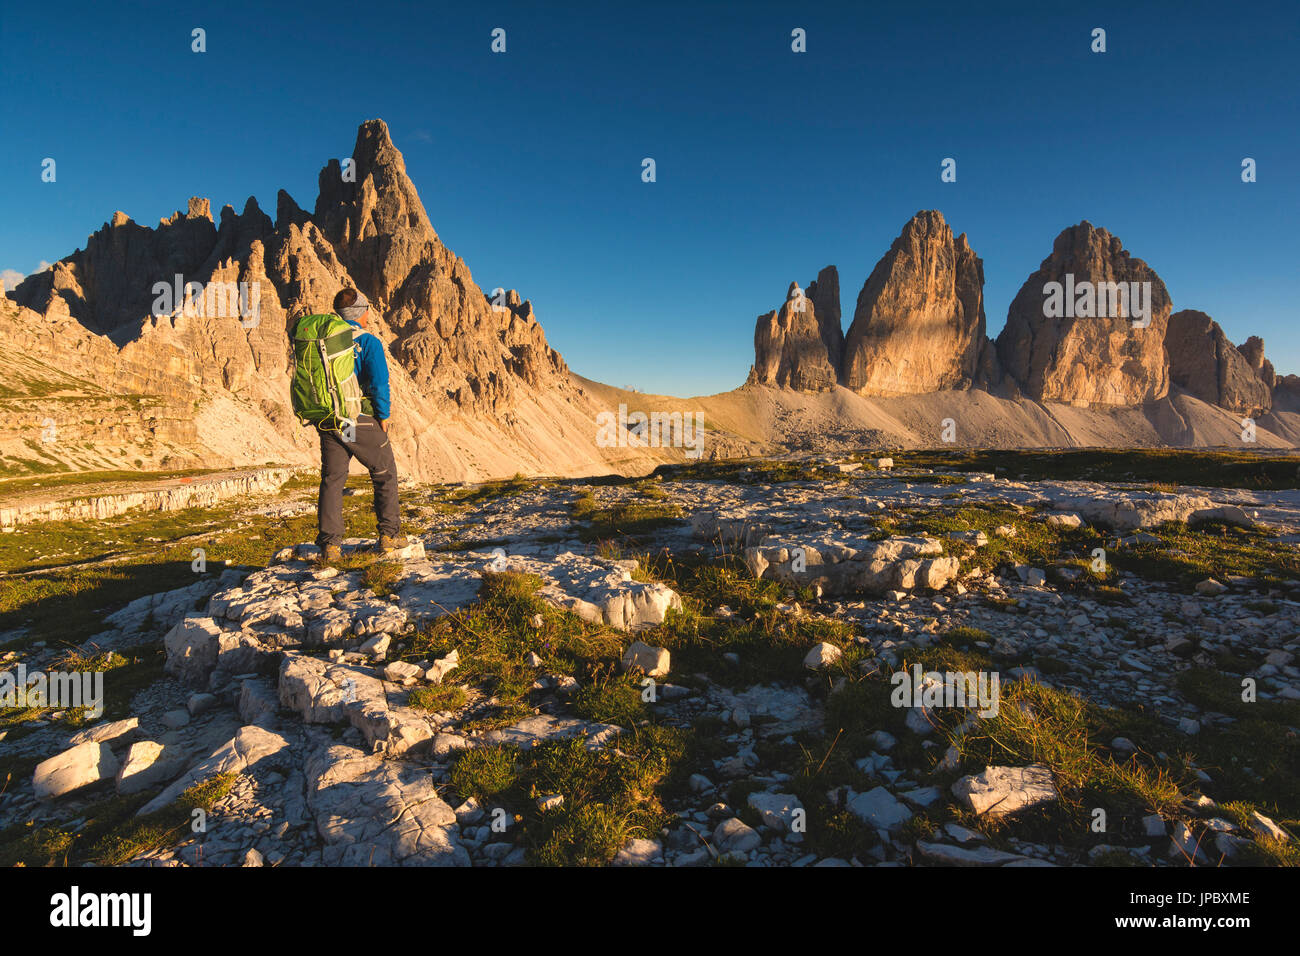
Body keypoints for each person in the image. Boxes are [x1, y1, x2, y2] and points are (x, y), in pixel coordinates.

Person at [315, 287, 407, 562]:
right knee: (384, 472)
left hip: (328, 418)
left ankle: (330, 545)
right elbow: (379, 384)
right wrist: (383, 417)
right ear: (360, 312)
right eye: (367, 310)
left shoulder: (323, 340)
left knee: (333, 479)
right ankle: (389, 535)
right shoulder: (368, 341)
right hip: (357, 418)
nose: (369, 315)